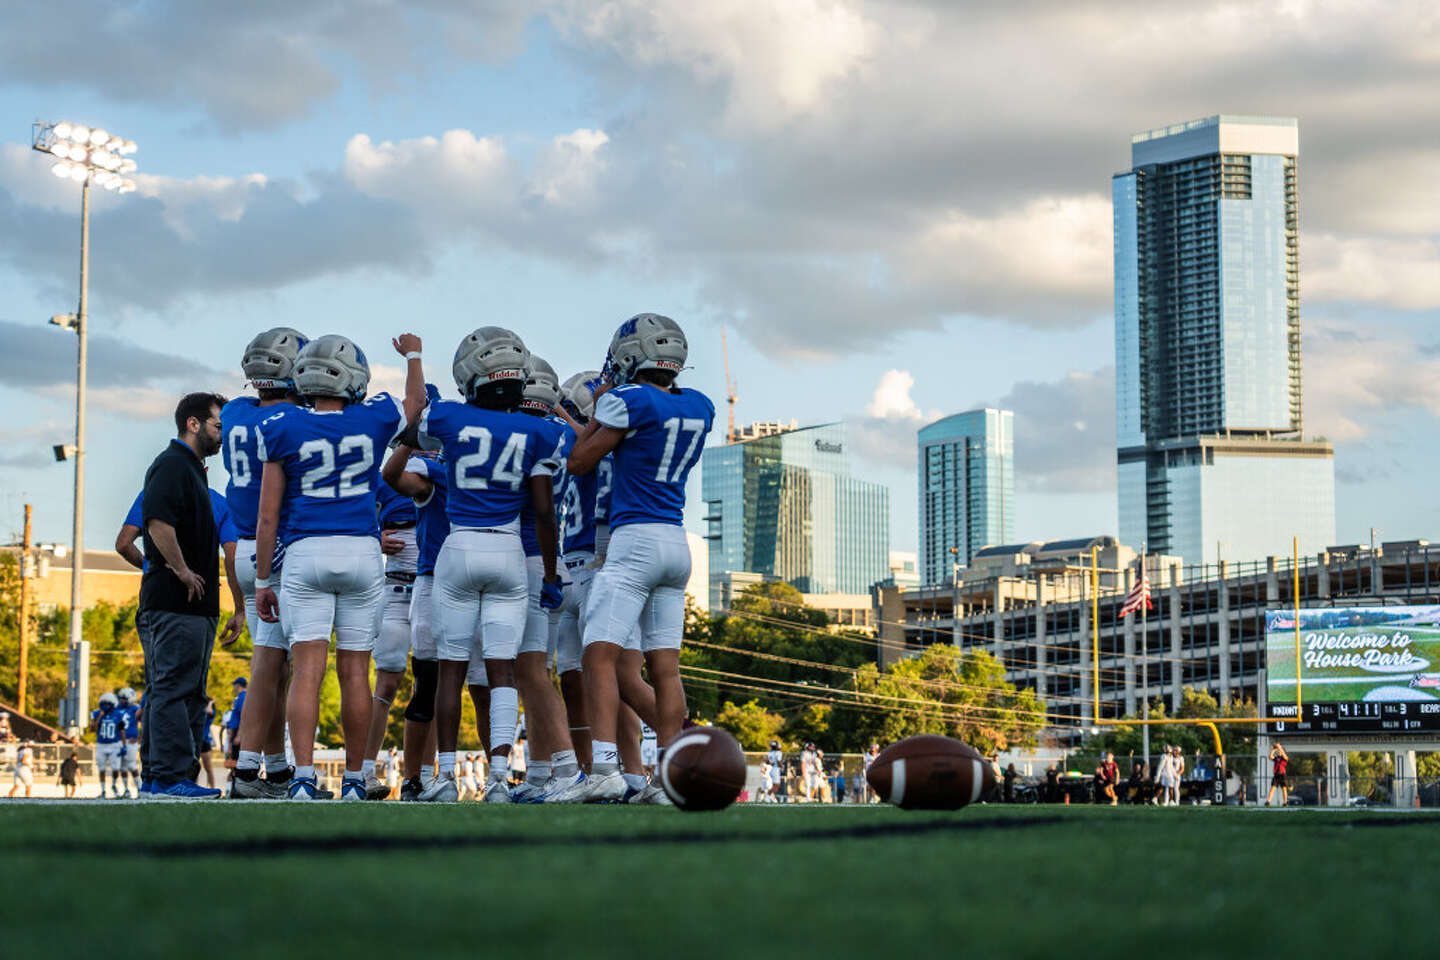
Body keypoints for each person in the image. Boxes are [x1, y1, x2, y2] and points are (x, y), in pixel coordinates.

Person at [396, 328, 564, 803]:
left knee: (451, 670)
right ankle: (496, 779)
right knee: (502, 673)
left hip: (460, 546)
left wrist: (414, 364)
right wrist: (549, 574)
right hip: (510, 551)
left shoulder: (449, 416)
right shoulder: (539, 431)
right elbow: (545, 512)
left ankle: (446, 778)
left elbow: (411, 432)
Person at [551, 315, 714, 804]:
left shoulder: (629, 399)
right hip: (675, 539)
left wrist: (596, 414)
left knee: (598, 656)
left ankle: (603, 768)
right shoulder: (701, 405)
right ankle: (668, 776)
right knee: (665, 669)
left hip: (635, 540)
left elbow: (581, 460)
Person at [253, 335, 407, 802]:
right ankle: (356, 779)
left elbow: (267, 516)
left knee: (306, 673)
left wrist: (263, 580)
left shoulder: (282, 425)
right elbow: (416, 403)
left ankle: (302, 776)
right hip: (362, 552)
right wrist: (414, 358)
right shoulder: (373, 417)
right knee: (356, 674)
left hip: (306, 553)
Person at [226, 328, 310, 801]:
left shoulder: (237, 411)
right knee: (270, 664)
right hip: (270, 547)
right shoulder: (294, 417)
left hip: (242, 544)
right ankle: (247, 769)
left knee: (275, 668)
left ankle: (274, 768)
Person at [137, 392, 232, 800]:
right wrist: (181, 569)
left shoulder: (194, 470)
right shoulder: (172, 463)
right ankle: (169, 777)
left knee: (182, 691)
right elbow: (157, 522)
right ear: (193, 424)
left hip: (193, 606)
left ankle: (160, 777)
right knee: (173, 687)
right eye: (217, 425)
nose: (222, 434)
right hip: (174, 603)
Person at [508, 356, 585, 803]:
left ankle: (567, 769)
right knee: (536, 672)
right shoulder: (566, 435)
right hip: (554, 562)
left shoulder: (522, 434)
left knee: (531, 671)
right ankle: (540, 773)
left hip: (529, 557)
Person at [90, 691, 127, 798]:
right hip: (101, 744)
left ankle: (114, 785)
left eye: (108, 704)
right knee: (101, 769)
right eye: (104, 704)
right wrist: (99, 717)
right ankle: (103, 790)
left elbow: (122, 731)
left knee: (115, 768)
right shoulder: (97, 713)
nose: (105, 706)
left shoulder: (118, 714)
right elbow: (92, 728)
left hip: (114, 744)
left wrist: (124, 746)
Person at [1266, 742, 1290, 807]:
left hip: (1282, 775)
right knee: (1272, 788)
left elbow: (1285, 756)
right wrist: (1274, 750)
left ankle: (1285, 803)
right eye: (1279, 751)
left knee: (1284, 789)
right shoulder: (1277, 758)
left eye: (1280, 751)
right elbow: (1270, 757)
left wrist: (1279, 747)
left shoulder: (1285, 758)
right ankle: (1268, 802)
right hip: (1276, 775)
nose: (1279, 752)